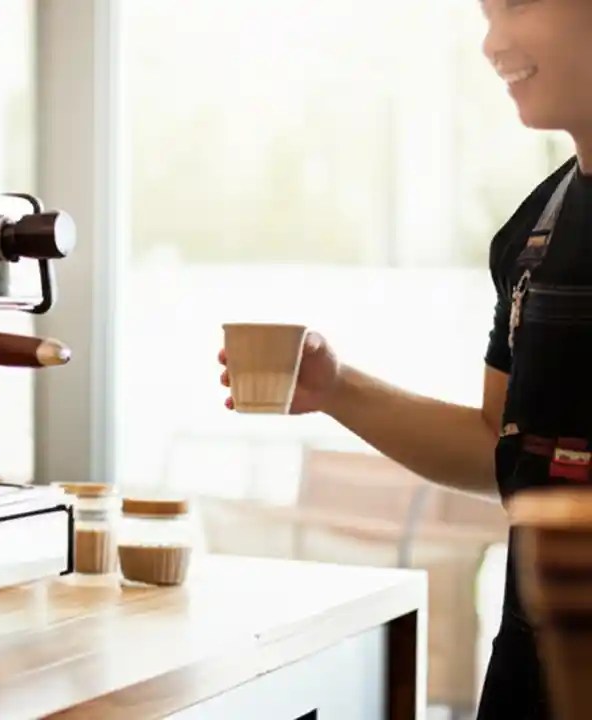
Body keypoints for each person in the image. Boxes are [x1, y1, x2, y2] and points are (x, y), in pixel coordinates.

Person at [218, 1, 592, 718]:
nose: (493, 42)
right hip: (530, 680)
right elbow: (498, 445)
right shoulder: (530, 236)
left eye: (516, 4)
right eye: (485, 14)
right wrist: (336, 389)